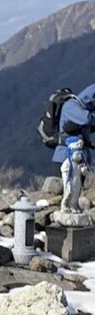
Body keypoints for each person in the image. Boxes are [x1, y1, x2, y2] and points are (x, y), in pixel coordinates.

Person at [53, 84, 95, 216]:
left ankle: (72, 211)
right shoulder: (71, 105)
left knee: (75, 190)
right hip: (65, 157)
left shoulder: (82, 108)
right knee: (66, 190)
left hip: (79, 159)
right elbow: (86, 118)